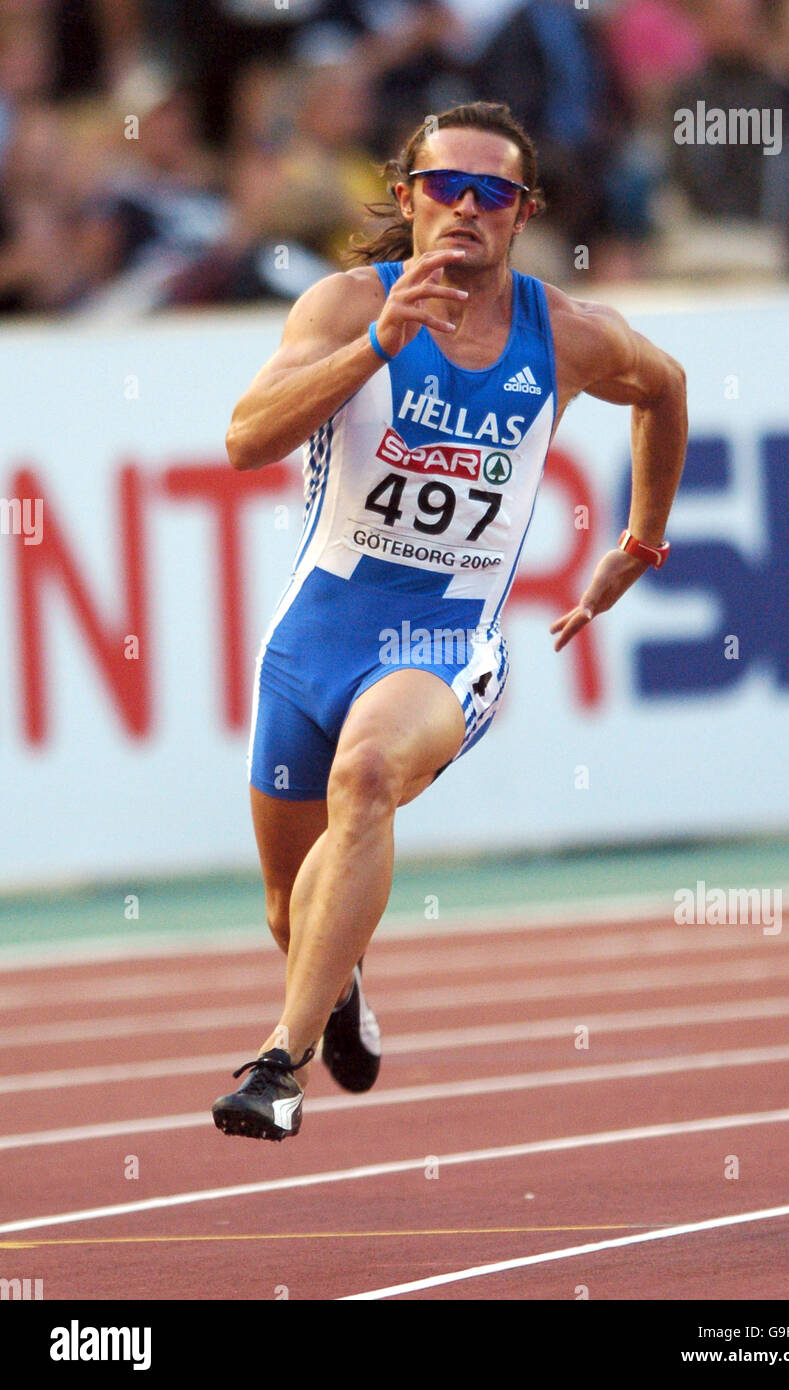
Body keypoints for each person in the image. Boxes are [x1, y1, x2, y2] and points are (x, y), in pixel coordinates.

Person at [211, 100, 687, 1142]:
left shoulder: (560, 333)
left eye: (493, 193)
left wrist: (640, 543)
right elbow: (246, 440)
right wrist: (377, 348)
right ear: (407, 198)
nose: (468, 208)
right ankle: (335, 987)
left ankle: (277, 1066)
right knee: (290, 912)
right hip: (310, 644)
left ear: (523, 213)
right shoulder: (346, 305)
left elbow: (665, 387)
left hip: (443, 641)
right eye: (446, 187)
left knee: (368, 774)